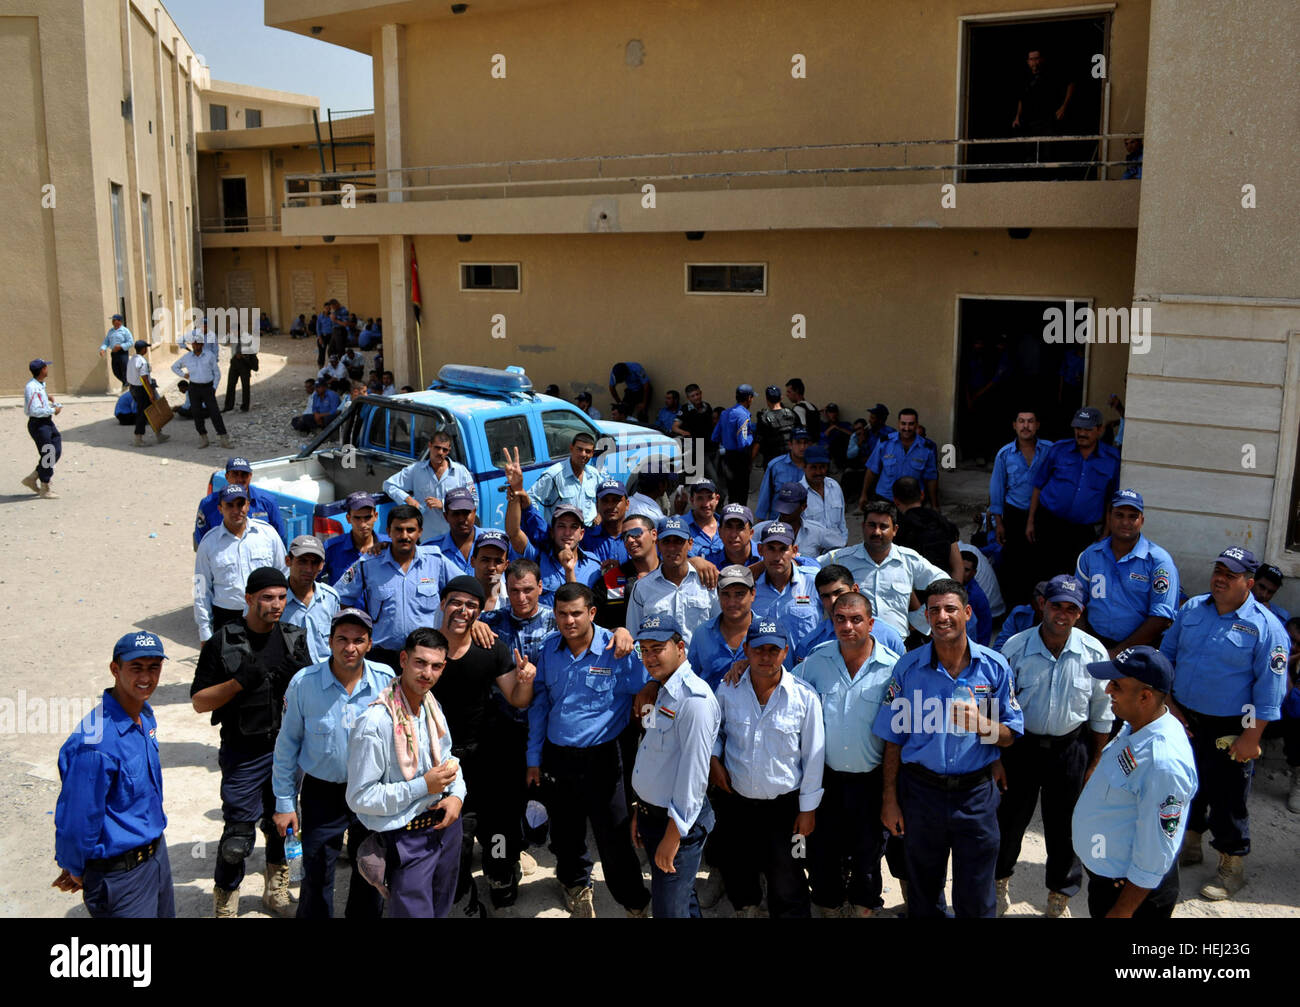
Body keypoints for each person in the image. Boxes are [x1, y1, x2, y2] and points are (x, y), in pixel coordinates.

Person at [875, 579, 1023, 918]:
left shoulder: (994, 667)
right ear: (926, 616)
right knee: (924, 889)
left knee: (976, 890)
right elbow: (893, 738)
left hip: (975, 794)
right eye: (934, 610)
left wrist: (981, 725)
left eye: (950, 609)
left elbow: (1011, 734)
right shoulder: (908, 669)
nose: (942, 616)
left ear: (968, 613)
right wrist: (889, 798)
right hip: (921, 792)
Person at [1160, 547, 1290, 901]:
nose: (1219, 578)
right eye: (1218, 570)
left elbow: (1270, 688)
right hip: (1183, 715)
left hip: (1234, 725)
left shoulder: (1267, 628)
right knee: (1186, 784)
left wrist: (1253, 736)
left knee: (1229, 796)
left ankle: (1232, 866)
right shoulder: (1191, 610)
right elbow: (1167, 657)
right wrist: (1167, 703)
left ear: (1248, 583)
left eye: (1230, 575)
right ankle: (1190, 843)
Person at [190, 568, 311, 917]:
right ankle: (226, 900)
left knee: (284, 825)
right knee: (237, 838)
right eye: (267, 597)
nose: (276, 605)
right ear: (248, 598)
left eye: (281, 597)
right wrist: (238, 682)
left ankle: (276, 890)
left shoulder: (293, 638)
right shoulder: (223, 641)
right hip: (243, 752)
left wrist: (305, 678)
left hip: (286, 752)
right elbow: (199, 701)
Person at [527, 583, 652, 917]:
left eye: (577, 613)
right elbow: (540, 705)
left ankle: (634, 901)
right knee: (566, 834)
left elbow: (648, 687)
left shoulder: (619, 650)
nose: (569, 621)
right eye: (562, 614)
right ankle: (575, 885)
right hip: (558, 757)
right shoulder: (548, 649)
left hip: (603, 759)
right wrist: (533, 758)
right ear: (554, 615)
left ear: (592, 613)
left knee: (613, 836)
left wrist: (627, 634)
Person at [994, 575, 1112, 918]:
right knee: (1009, 822)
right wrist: (995, 759)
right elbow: (996, 707)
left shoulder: (1093, 653)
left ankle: (1058, 898)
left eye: (1071, 608)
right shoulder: (1014, 648)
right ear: (1042, 604)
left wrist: (1094, 762)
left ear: (1080, 613)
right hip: (1020, 748)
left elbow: (1102, 713)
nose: (1062, 614)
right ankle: (1000, 884)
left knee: (1066, 828)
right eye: (1056, 605)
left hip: (1070, 749)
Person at [269, 607, 391, 918]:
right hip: (323, 793)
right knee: (316, 871)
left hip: (370, 792)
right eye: (342, 639)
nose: (350, 648)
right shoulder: (304, 683)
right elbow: (287, 745)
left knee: (371, 869)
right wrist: (285, 802)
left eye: (358, 640)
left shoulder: (386, 681)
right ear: (329, 641)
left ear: (370, 644)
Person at [432, 576, 536, 915]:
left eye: (471, 606)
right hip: (442, 760)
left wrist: (525, 680)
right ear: (443, 604)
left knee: (498, 830)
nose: (462, 611)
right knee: (454, 835)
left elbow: (517, 700)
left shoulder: (493, 649)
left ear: (479, 611)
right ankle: (462, 893)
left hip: (488, 755)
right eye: (456, 603)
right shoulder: (427, 649)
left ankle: (501, 873)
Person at [346, 628, 468, 918]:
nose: (427, 673)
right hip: (406, 838)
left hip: (445, 827)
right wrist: (422, 786)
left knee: (441, 908)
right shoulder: (375, 723)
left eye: (436, 666)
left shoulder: (431, 706)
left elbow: (449, 758)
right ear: (403, 659)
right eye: (420, 663)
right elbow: (360, 797)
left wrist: (457, 796)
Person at [53, 631, 173, 918]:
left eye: (153, 667)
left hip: (156, 858)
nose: (146, 677)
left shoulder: (144, 715)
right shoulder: (96, 742)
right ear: (115, 670)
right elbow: (79, 817)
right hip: (121, 877)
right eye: (137, 668)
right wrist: (76, 867)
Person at [1071, 647, 1197, 918]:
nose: (1107, 691)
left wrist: (1122, 911)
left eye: (1116, 684)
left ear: (1145, 696)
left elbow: (1155, 852)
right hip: (1110, 878)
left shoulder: (1163, 763)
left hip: (1131, 896)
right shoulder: (1139, 724)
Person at [795, 592, 899, 917]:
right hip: (826, 781)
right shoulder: (816, 661)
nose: (847, 626)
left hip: (872, 782)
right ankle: (830, 906)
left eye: (856, 619)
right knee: (822, 854)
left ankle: (863, 908)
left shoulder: (893, 669)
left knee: (868, 858)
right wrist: (744, 665)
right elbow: (784, 689)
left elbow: (901, 733)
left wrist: (891, 793)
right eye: (840, 618)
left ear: (871, 623)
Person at [711, 619, 824, 917]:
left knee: (788, 873)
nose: (765, 656)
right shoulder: (728, 689)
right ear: (746, 650)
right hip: (737, 800)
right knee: (738, 865)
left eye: (774, 649)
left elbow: (813, 757)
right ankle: (746, 907)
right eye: (759, 649)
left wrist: (808, 810)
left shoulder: (804, 697)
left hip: (784, 807)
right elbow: (715, 732)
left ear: (785, 652)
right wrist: (713, 760)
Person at [630, 615, 721, 918]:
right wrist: (639, 808)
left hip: (678, 824)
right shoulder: (661, 689)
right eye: (644, 650)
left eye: (657, 648)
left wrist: (673, 836)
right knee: (680, 899)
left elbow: (694, 777)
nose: (650, 657)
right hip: (651, 815)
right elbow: (652, 754)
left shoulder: (694, 700)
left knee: (669, 910)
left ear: (680, 647)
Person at [335, 504, 455, 672]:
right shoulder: (368, 563)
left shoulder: (435, 560)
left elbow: (465, 589)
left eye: (410, 530)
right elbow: (339, 598)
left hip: (427, 657)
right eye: (398, 530)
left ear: (420, 531)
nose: (404, 536)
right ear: (388, 531)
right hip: (383, 658)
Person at [817, 501, 948, 641]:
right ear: (863, 526)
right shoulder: (841, 559)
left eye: (883, 526)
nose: (876, 532)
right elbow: (808, 568)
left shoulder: (908, 560)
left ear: (895, 530)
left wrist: (918, 620)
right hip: (853, 646)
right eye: (872, 525)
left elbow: (944, 584)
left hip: (897, 647)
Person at [1075, 489, 1180, 655]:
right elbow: (1076, 603)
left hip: (1140, 649)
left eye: (1133, 516)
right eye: (1119, 515)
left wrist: (1117, 652)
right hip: (1093, 643)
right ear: (1109, 518)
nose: (1125, 522)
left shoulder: (1159, 561)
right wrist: (1085, 644)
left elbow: (1162, 619)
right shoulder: (1090, 555)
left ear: (1142, 521)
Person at [1028, 406, 1121, 583]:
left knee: (1075, 579)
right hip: (1049, 523)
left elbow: (1111, 500)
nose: (1082, 433)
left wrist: (1106, 534)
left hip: (1082, 531)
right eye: (1078, 428)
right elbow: (1038, 485)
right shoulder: (1059, 449)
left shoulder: (1112, 459)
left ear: (1100, 430)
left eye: (1087, 429)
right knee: (1042, 573)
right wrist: (1031, 521)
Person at [503, 453, 603, 606]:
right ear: (551, 531)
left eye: (574, 527)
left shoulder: (593, 565)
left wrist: (569, 571)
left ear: (582, 534)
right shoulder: (536, 558)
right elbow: (514, 532)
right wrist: (516, 493)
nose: (568, 533)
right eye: (561, 526)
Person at [193, 484, 288, 642]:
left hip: (265, 615)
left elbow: (284, 574)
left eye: (241, 504)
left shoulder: (267, 534)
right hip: (227, 618)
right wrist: (204, 632)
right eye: (229, 505)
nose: (236, 510)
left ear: (248, 505)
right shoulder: (209, 544)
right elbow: (201, 589)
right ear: (220, 509)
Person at [624, 516, 720, 645]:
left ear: (690, 544)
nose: (672, 547)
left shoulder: (708, 582)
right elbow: (634, 636)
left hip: (701, 663)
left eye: (678, 541)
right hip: (657, 663)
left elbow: (720, 630)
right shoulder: (642, 587)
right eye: (666, 541)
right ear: (657, 544)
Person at [988, 409, 1052, 605]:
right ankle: (1015, 607)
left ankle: (1038, 606)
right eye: (1021, 421)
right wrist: (998, 523)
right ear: (1014, 425)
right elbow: (997, 490)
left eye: (1030, 421)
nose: (1026, 426)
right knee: (1014, 562)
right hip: (1014, 514)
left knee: (1040, 560)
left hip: (1043, 514)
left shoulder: (1050, 450)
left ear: (1038, 425)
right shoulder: (1005, 454)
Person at [793, 565, 907, 663]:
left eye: (838, 592)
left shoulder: (888, 636)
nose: (833, 601)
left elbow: (902, 679)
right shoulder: (809, 645)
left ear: (855, 589)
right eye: (826, 596)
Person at [381, 430, 477, 543]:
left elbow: (474, 501)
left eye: (444, 450)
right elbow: (388, 484)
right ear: (430, 446)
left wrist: (444, 504)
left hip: (454, 537)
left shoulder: (460, 472)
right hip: (427, 539)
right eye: (437, 447)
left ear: (448, 451)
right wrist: (408, 500)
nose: (440, 452)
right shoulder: (416, 470)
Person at [751, 521, 821, 651]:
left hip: (807, 669)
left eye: (783, 549)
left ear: (794, 551)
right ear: (760, 550)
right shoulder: (750, 587)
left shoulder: (814, 580)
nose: (777, 557)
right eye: (771, 549)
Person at [193, 457, 286, 550]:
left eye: (244, 474)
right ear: (227, 476)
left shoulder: (267, 501)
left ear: (250, 476)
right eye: (235, 474)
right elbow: (202, 540)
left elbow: (279, 537)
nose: (239, 479)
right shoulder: (208, 504)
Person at [862, 408, 939, 510]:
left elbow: (931, 478)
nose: (906, 428)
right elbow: (872, 470)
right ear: (898, 424)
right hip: (886, 498)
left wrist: (934, 505)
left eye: (911, 424)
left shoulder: (926, 448)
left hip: (913, 502)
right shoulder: (884, 443)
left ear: (916, 424)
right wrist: (864, 494)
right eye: (903, 424)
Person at [281, 535, 341, 662]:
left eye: (315, 562)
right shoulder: (275, 600)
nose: (308, 569)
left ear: (322, 565)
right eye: (302, 561)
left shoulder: (330, 598)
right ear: (288, 561)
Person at [524, 433, 604, 526]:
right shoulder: (554, 474)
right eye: (579, 449)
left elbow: (603, 496)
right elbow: (531, 498)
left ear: (592, 453)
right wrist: (541, 525)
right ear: (571, 448)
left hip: (589, 532)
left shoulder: (593, 474)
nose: (583, 454)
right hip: (564, 535)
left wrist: (600, 514)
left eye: (587, 451)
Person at [594, 513, 659, 629]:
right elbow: (596, 625)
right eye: (625, 536)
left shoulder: (671, 574)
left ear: (653, 534)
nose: (629, 540)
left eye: (635, 533)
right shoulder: (611, 580)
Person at [171, 335, 232, 449]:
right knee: (196, 414)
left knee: (215, 413)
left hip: (208, 387)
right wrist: (184, 375)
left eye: (198, 343)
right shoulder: (187, 357)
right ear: (192, 345)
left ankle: (223, 438)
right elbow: (174, 367)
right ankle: (203, 438)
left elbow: (217, 373)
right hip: (194, 388)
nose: (196, 346)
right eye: (194, 344)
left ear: (202, 344)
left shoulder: (209, 356)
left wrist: (214, 387)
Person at [893, 475, 961, 575]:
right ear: (922, 495)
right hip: (944, 585)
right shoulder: (942, 522)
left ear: (896, 501)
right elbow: (958, 568)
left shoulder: (898, 530)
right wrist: (954, 590)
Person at [322, 491, 390, 584]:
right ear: (348, 518)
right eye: (357, 518)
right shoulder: (331, 548)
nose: (363, 524)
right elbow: (312, 581)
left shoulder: (390, 545)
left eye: (367, 517)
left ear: (376, 516)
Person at [22, 358, 62, 498]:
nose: (47, 369)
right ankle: (45, 486)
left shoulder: (39, 385)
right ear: (42, 370)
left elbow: (39, 403)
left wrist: (48, 400)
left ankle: (34, 476)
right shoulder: (31, 387)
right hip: (39, 424)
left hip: (47, 423)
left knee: (55, 449)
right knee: (49, 453)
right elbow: (34, 410)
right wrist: (53, 411)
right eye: (46, 367)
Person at [755, 426, 812, 521]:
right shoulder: (776, 466)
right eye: (798, 443)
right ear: (790, 445)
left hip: (807, 523)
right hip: (780, 523)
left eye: (805, 443)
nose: (802, 447)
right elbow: (765, 497)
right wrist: (761, 523)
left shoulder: (815, 467)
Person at [713, 384, 756, 506]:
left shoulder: (725, 413)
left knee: (732, 495)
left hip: (728, 458)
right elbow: (743, 442)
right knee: (741, 496)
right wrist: (751, 436)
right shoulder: (743, 415)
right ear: (749, 398)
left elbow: (715, 436)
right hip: (740, 459)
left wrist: (727, 438)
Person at [672, 383, 720, 487]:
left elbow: (711, 424)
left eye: (697, 394)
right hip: (697, 448)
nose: (696, 397)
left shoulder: (707, 407)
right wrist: (685, 433)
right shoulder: (685, 409)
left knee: (711, 477)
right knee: (712, 478)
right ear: (688, 398)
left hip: (711, 446)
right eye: (693, 396)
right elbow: (675, 427)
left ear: (701, 393)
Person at [428, 487, 484, 575]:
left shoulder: (497, 541)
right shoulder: (432, 551)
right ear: (446, 516)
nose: (461, 519)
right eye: (456, 513)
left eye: (466, 512)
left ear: (474, 512)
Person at [800, 445, 847, 548]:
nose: (818, 472)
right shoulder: (798, 493)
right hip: (812, 555)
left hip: (837, 551)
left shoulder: (834, 486)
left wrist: (844, 544)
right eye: (813, 467)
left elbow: (842, 523)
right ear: (804, 466)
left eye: (822, 467)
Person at [126, 340, 169, 447]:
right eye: (146, 348)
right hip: (142, 390)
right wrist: (151, 394)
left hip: (133, 388)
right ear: (144, 349)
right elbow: (145, 379)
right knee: (143, 413)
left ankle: (159, 434)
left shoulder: (132, 360)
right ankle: (138, 438)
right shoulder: (142, 362)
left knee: (151, 411)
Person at [993, 581, 1047, 651]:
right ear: (1033, 604)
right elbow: (1001, 645)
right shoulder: (1019, 615)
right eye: (1040, 604)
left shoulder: (1059, 621)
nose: (1043, 608)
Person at [704, 502, 761, 569]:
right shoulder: (709, 564)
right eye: (729, 527)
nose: (733, 535)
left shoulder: (767, 556)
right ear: (719, 531)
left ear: (751, 533)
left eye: (740, 528)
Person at [754, 386, 797, 470]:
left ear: (767, 399)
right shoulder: (791, 414)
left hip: (773, 461)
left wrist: (751, 459)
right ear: (781, 398)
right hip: (790, 459)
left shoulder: (764, 418)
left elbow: (758, 442)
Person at [959, 549, 994, 647]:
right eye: (960, 568)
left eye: (966, 570)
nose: (961, 573)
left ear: (974, 573)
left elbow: (983, 632)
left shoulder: (975, 596)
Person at [470, 529, 511, 612]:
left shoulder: (514, 601)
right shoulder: (455, 599)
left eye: (498, 561)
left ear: (506, 565)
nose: (491, 567)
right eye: (485, 560)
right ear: (473, 561)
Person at [223, 329, 258, 413]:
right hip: (234, 362)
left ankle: (245, 406)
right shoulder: (232, 336)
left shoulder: (248, 337)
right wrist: (228, 334)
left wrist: (244, 354)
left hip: (244, 363)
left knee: (245, 385)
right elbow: (223, 343)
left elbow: (255, 349)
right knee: (231, 384)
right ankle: (228, 406)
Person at [99, 313, 133, 389]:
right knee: (116, 371)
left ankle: (126, 384)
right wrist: (103, 349)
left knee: (124, 370)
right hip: (114, 354)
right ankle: (126, 383)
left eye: (114, 320)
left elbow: (131, 342)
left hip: (122, 353)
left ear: (120, 321)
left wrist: (121, 346)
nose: (113, 322)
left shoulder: (125, 331)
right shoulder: (111, 331)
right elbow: (106, 342)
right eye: (113, 320)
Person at [785, 378, 821, 443]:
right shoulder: (811, 406)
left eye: (789, 392)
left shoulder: (798, 409)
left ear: (797, 391)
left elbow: (802, 430)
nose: (787, 394)